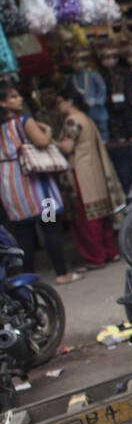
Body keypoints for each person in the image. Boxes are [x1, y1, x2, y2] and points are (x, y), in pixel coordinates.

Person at [0, 84, 79, 283]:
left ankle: (28, 280)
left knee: (24, 234)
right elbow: (42, 142)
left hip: (11, 187)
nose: (19, 99)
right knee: (51, 227)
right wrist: (48, 130)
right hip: (39, 188)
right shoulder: (24, 121)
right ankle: (62, 273)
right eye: (13, 97)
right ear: (3, 103)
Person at [52, 87, 124, 268]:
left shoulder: (72, 120)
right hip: (95, 172)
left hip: (81, 174)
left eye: (59, 102)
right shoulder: (87, 119)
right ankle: (110, 252)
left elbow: (67, 147)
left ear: (69, 101)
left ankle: (95, 257)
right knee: (101, 216)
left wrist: (47, 140)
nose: (57, 106)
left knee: (86, 219)